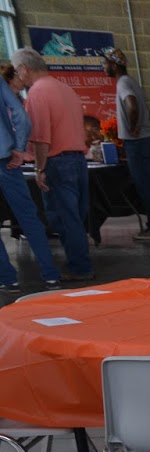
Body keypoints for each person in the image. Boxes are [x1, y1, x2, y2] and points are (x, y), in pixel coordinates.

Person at [10, 48, 93, 282]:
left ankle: (80, 267)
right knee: (75, 215)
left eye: (17, 71)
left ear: (25, 69)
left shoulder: (37, 93)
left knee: (65, 218)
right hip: (78, 159)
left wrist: (39, 168)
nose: (17, 76)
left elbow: (41, 138)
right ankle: (80, 261)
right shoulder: (65, 89)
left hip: (58, 162)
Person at [0, 62, 63, 291]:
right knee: (28, 217)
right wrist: (17, 147)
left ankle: (8, 280)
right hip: (7, 158)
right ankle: (51, 275)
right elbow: (21, 116)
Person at [103, 47, 150, 238]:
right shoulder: (128, 81)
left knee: (145, 185)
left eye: (105, 63)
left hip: (137, 143)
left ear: (114, 65)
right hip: (142, 142)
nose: (103, 67)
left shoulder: (123, 83)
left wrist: (132, 128)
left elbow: (131, 103)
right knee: (148, 185)